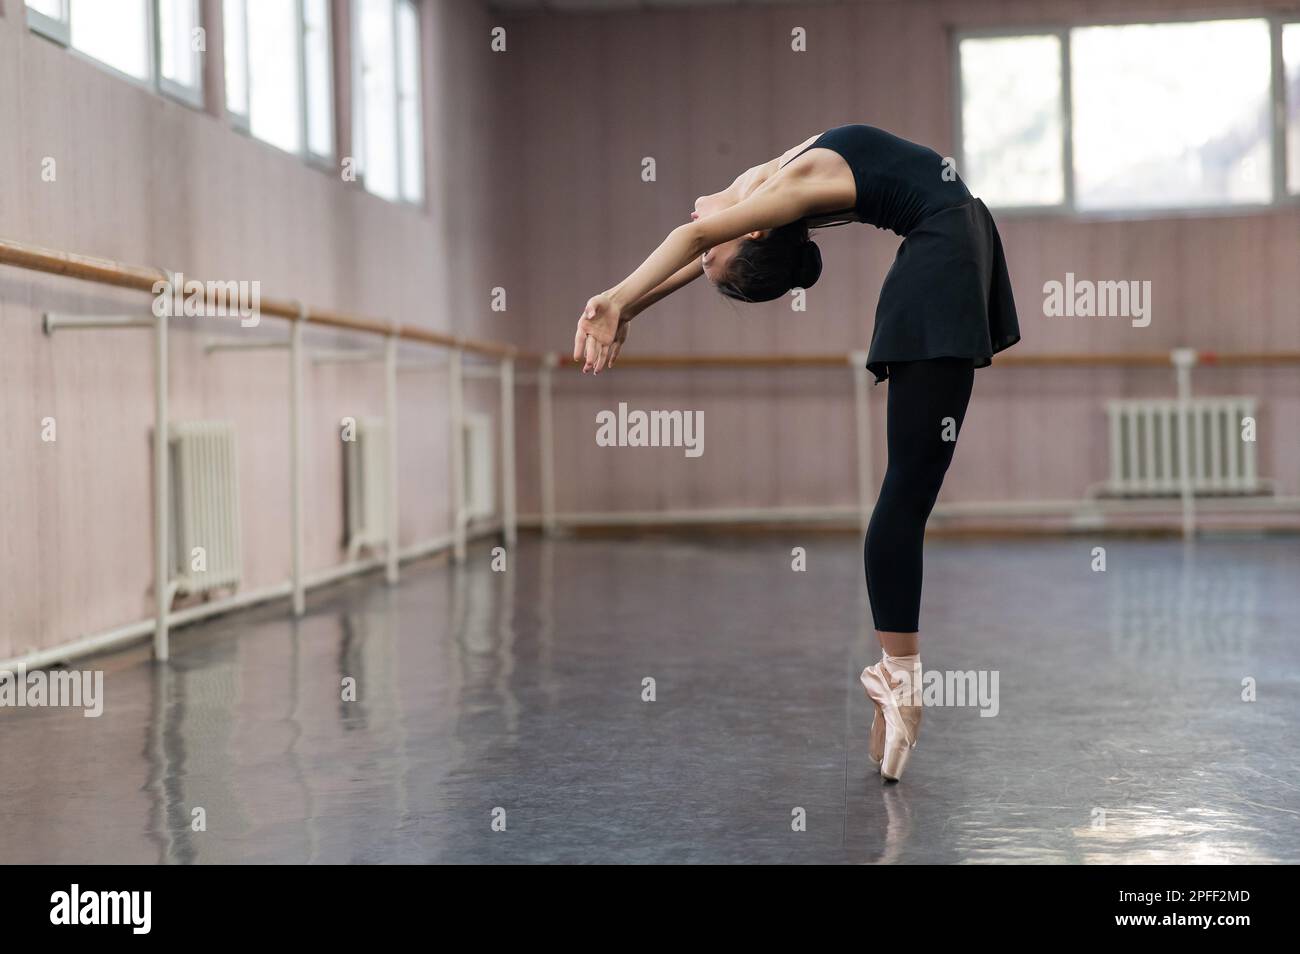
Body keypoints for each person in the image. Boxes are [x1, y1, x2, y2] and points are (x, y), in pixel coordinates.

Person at [571, 124, 1020, 782]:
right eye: (710, 259)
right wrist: (625, 303)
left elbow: (697, 240)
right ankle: (899, 677)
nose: (701, 248)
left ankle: (899, 678)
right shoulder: (789, 191)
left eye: (707, 259)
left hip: (950, 251)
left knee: (908, 487)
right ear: (756, 229)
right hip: (953, 249)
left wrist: (620, 300)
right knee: (909, 487)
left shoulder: (788, 187)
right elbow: (702, 240)